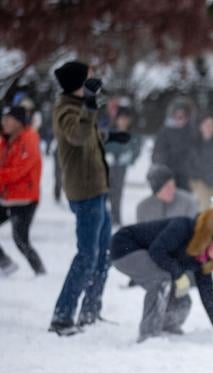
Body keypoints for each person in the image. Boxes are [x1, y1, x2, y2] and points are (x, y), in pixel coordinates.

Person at [48, 61, 113, 336]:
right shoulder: (65, 109)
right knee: (87, 255)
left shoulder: (81, 107)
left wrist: (110, 136)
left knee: (103, 254)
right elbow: (77, 135)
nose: (93, 81)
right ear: (78, 83)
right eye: (88, 78)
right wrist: (89, 102)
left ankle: (90, 310)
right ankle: (62, 317)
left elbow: (89, 137)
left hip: (97, 189)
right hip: (84, 193)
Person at [110, 208, 213, 343]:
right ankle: (149, 335)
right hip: (124, 246)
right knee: (161, 281)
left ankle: (168, 327)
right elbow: (157, 250)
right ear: (210, 238)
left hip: (147, 254)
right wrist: (178, 274)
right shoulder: (183, 227)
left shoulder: (202, 258)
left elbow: (208, 293)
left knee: (182, 296)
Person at [0, 105, 46, 276]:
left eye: (8, 119)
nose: (4, 122)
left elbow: (19, 169)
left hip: (25, 199)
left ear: (19, 122)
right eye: (3, 118)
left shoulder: (29, 138)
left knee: (20, 239)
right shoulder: (5, 141)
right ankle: (5, 264)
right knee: (20, 239)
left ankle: (40, 272)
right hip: (6, 198)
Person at [105, 106, 142, 226]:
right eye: (121, 118)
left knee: (117, 192)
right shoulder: (109, 132)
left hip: (121, 168)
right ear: (116, 119)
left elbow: (136, 149)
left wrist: (128, 158)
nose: (124, 121)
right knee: (104, 192)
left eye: (126, 119)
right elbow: (100, 146)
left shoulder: (132, 135)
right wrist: (106, 156)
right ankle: (103, 217)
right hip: (106, 167)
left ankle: (116, 218)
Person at [152, 97, 197, 191]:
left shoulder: (193, 132)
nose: (179, 119)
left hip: (187, 176)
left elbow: (197, 153)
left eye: (183, 116)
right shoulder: (164, 132)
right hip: (167, 175)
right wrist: (161, 169)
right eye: (177, 115)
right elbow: (158, 152)